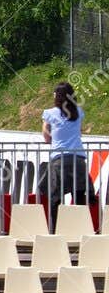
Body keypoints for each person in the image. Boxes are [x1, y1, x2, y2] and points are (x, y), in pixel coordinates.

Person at [42, 81, 95, 222]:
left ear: (57, 96)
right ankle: (80, 228)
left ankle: (54, 229)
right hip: (78, 159)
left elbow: (46, 137)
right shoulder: (78, 112)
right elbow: (79, 133)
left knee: (54, 197)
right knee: (79, 197)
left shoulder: (49, 113)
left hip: (59, 160)